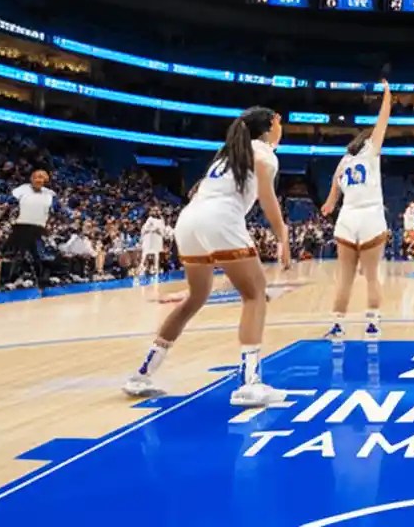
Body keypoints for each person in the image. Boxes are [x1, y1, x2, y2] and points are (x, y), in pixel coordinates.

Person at [122, 107, 291, 407]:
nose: (282, 128)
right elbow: (267, 196)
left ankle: (142, 374)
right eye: (279, 123)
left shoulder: (228, 154)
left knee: (195, 297)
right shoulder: (264, 153)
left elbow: (196, 191)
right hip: (220, 219)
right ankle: (250, 384)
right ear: (267, 128)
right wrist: (282, 236)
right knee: (255, 294)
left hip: (189, 221)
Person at [322, 80, 392, 339]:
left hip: (347, 216)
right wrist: (387, 95)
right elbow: (383, 119)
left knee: (345, 277)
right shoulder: (371, 151)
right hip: (370, 214)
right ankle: (372, 324)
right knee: (372, 275)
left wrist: (331, 201)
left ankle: (338, 325)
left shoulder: (345, 160)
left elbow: (334, 180)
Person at [4, 169, 56, 288]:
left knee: (38, 255)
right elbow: (9, 203)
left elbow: (51, 211)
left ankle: (39, 279)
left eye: (41, 177)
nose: (39, 180)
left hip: (38, 228)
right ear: (31, 179)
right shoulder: (22, 189)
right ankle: (13, 279)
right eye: (36, 177)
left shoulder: (49, 194)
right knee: (19, 254)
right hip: (22, 226)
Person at [136, 208, 168, 285]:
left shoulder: (161, 220)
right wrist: (151, 229)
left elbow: (163, 231)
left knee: (156, 255)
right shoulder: (149, 219)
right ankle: (141, 269)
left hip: (157, 239)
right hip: (149, 239)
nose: (156, 212)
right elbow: (144, 229)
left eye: (157, 210)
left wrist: (158, 230)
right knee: (145, 255)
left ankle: (156, 270)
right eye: (154, 210)